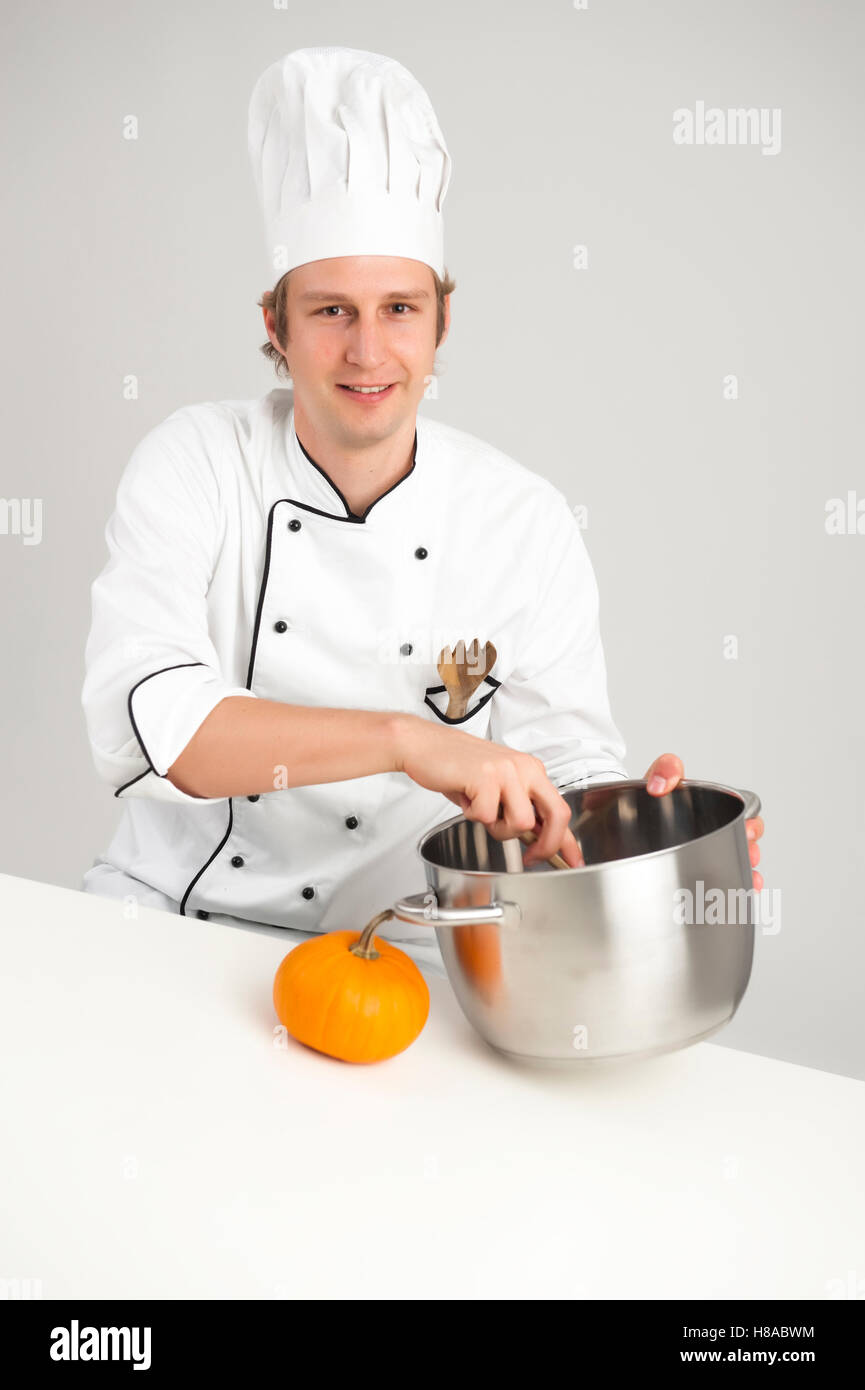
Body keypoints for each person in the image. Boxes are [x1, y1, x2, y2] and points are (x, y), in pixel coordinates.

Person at [80, 46, 763, 976]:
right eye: (330, 312)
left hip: (406, 956)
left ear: (442, 323)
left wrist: (647, 842)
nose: (367, 351)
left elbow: (554, 779)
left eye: (398, 307)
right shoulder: (196, 463)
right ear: (275, 327)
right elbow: (169, 726)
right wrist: (411, 743)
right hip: (170, 929)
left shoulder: (521, 522)